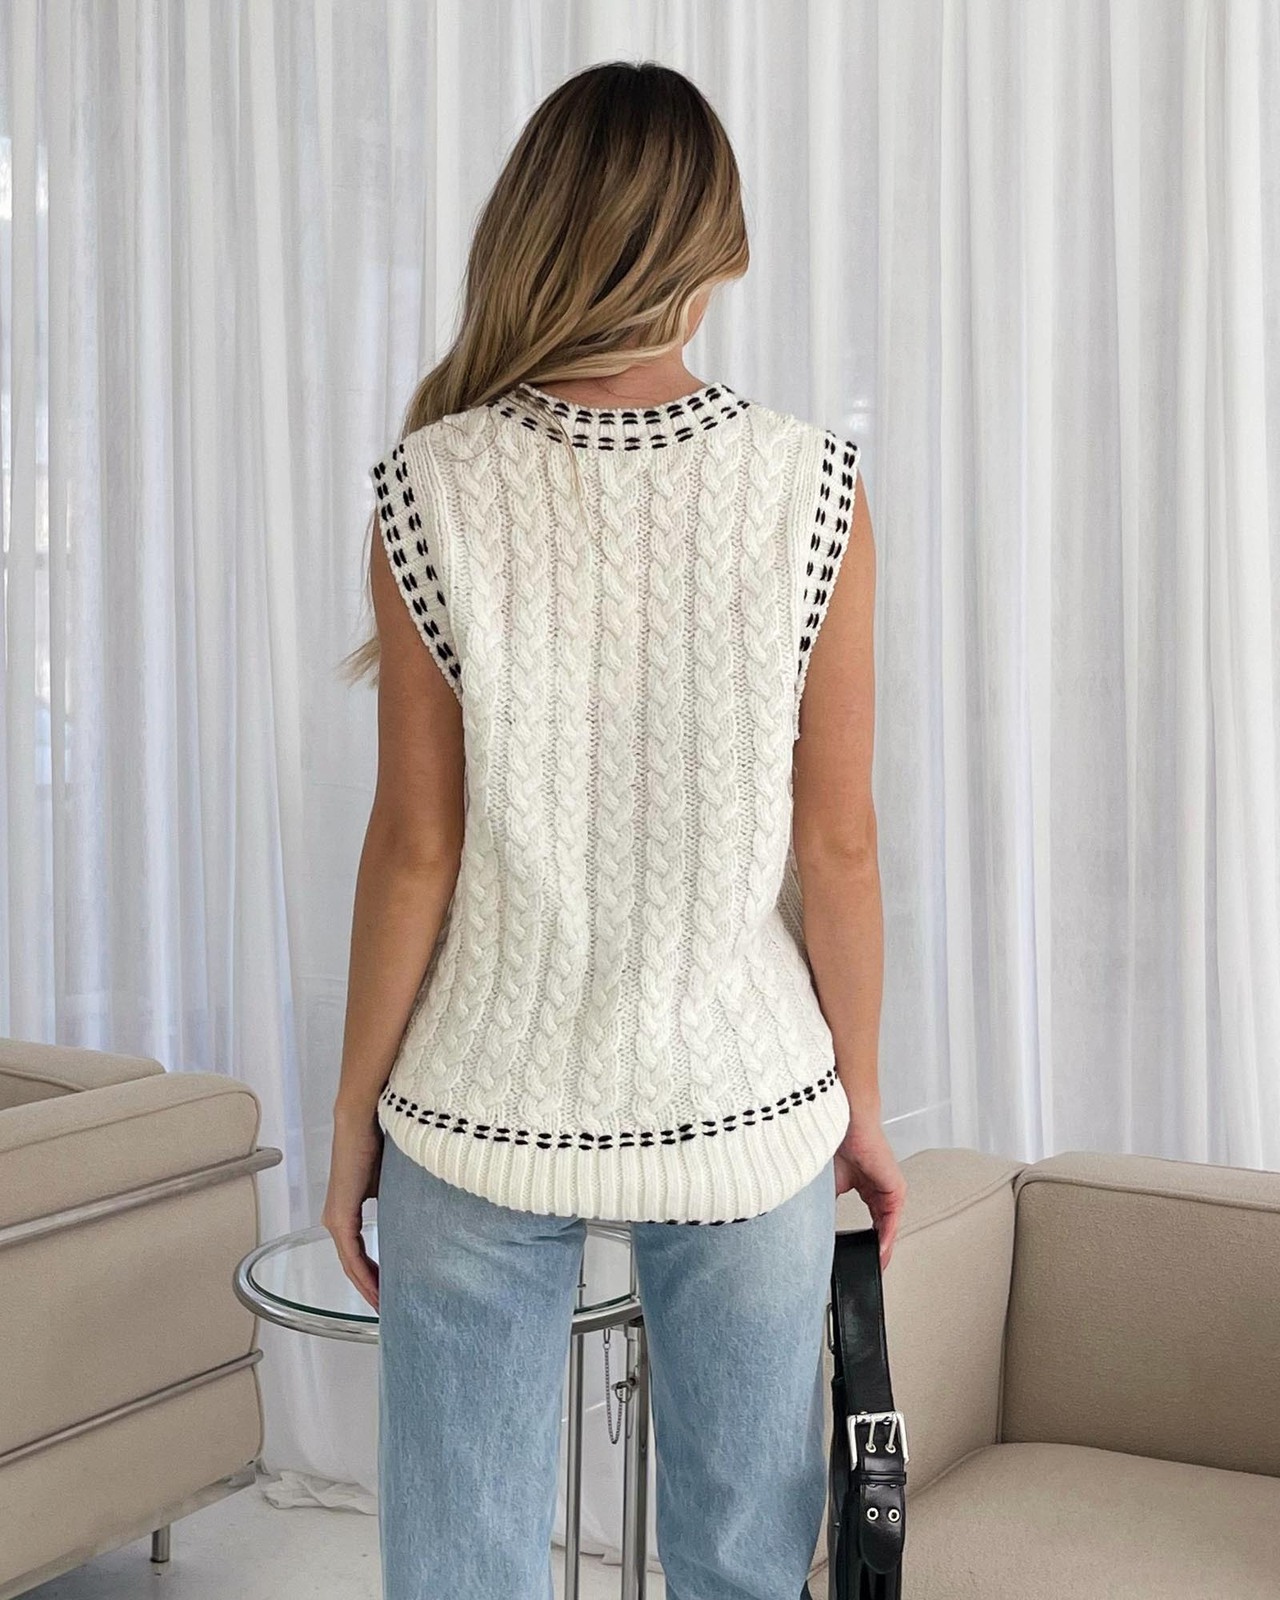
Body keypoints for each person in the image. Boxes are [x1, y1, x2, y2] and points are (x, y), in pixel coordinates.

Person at [325, 58, 907, 1600]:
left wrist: (352, 1119)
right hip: (747, 1099)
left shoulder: (430, 485)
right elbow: (838, 849)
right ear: (713, 248)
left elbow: (415, 849)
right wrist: (859, 1101)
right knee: (740, 1566)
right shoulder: (813, 488)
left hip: (477, 1102)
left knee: (461, 1570)